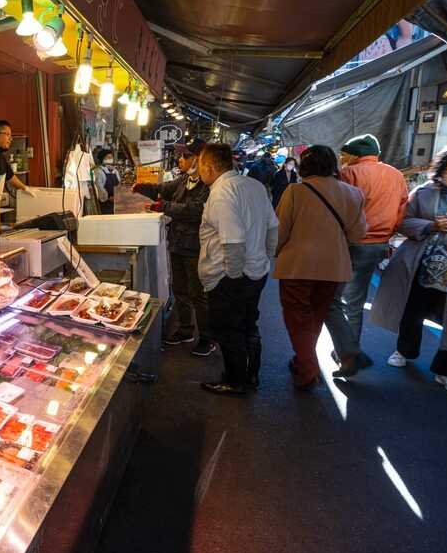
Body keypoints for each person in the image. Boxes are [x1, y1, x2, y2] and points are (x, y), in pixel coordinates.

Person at [273, 146, 367, 390]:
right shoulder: (354, 194)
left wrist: (271, 253)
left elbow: (280, 231)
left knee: (297, 317)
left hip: (298, 267)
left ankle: (308, 369)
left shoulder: (295, 191)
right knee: (315, 316)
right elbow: (358, 234)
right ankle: (304, 360)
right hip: (334, 268)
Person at [196, 143, 279, 395]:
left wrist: (233, 276)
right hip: (256, 271)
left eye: (200, 166)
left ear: (209, 167)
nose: (199, 172)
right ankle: (250, 375)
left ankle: (234, 381)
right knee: (248, 324)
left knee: (229, 329)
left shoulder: (222, 192)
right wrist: (266, 256)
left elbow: (233, 240)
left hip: (230, 275)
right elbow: (273, 227)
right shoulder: (254, 185)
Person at [371, 144, 447, 391]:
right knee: (413, 309)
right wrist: (431, 226)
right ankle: (404, 350)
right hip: (421, 262)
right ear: (441, 169)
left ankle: (446, 370)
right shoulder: (423, 192)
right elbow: (403, 222)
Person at [325, 134, 408, 377]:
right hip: (380, 245)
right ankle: (346, 351)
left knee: (334, 301)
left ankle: (349, 354)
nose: (341, 158)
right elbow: (403, 209)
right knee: (355, 299)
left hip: (351, 244)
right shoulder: (396, 175)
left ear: (354, 154)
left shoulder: (349, 174)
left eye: (344, 154)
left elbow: (338, 208)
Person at [132, 141, 215, 356]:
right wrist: (142, 187)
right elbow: (163, 189)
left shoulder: (208, 186)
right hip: (177, 244)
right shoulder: (184, 180)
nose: (180, 159)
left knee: (198, 294)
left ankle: (207, 338)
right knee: (180, 290)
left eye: (185, 156)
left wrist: (164, 206)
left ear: (197, 160)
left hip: (196, 247)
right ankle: (186, 330)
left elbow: (195, 210)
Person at [93, 148, 120, 215]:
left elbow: (119, 185)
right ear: (103, 159)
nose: (111, 159)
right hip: (105, 205)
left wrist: (119, 196)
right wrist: (108, 198)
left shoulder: (115, 171)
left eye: (111, 157)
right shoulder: (99, 171)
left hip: (116, 204)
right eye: (108, 157)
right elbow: (99, 188)